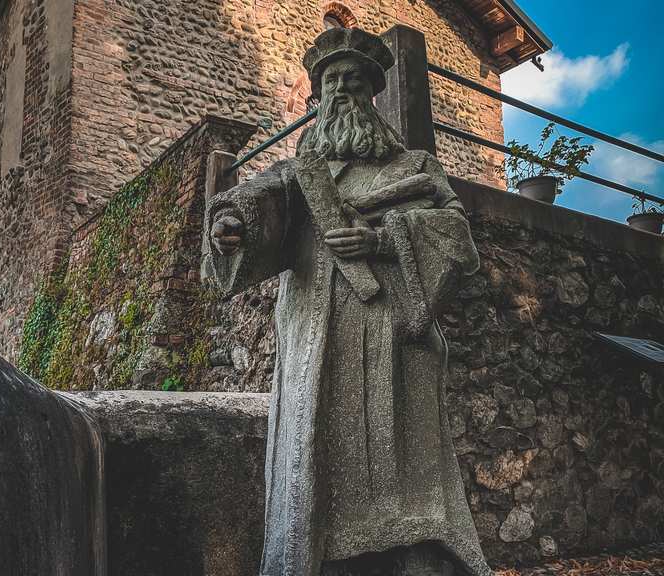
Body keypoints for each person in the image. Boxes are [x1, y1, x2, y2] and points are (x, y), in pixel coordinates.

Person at [204, 27, 491, 576]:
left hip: (392, 337)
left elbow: (456, 237)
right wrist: (230, 225)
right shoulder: (298, 174)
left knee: (398, 466)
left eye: (352, 79)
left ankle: (414, 559)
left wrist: (383, 240)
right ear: (317, 95)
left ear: (373, 92)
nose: (340, 90)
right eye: (330, 80)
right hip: (316, 331)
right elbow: (250, 202)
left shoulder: (416, 168)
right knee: (319, 463)